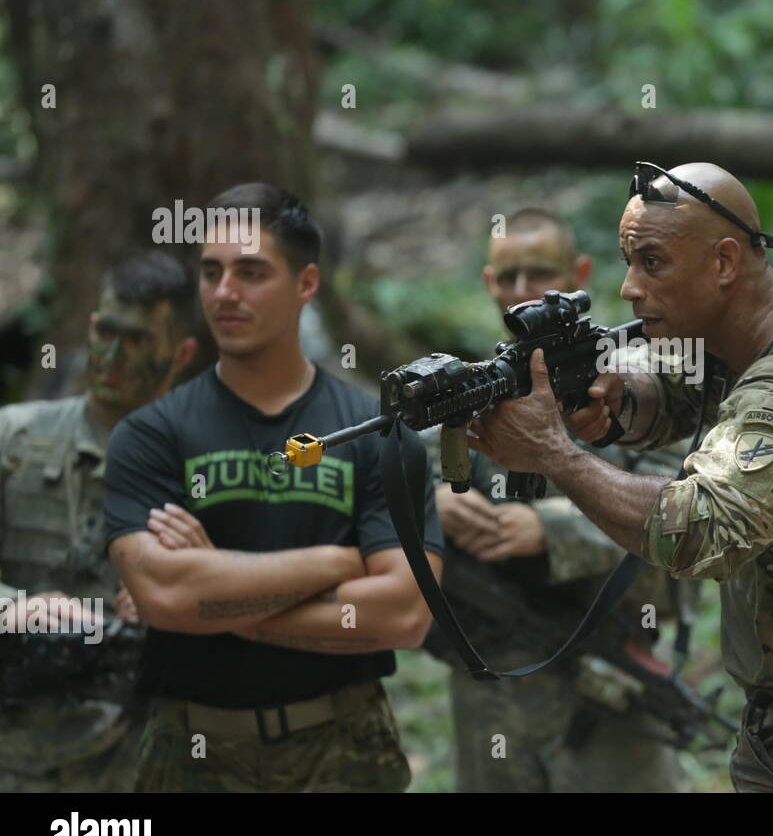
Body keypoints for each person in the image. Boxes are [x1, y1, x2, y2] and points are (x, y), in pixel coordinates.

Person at [469, 162, 773, 793]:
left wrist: (555, 454)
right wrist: (611, 404)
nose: (630, 288)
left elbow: (701, 530)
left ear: (723, 262)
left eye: (653, 262)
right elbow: (677, 387)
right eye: (627, 261)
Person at [104, 183, 441, 792]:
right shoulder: (151, 436)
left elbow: (405, 613)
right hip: (192, 754)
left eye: (252, 272)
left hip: (344, 753)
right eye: (212, 273)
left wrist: (217, 595)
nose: (225, 293)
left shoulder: (379, 439)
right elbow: (164, 596)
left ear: (306, 284)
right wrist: (335, 562)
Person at [430, 207, 688, 792]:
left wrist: (548, 530)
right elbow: (399, 488)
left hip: (607, 681)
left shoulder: (630, 376)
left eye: (540, 273)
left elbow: (681, 503)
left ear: (579, 274)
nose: (524, 291)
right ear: (489, 284)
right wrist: (435, 508)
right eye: (509, 276)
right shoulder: (468, 387)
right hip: (491, 680)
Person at [0, 252, 198, 792]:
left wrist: (184, 598)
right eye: (105, 331)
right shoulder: (13, 440)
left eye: (135, 340)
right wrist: (15, 608)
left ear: (180, 353)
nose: (111, 355)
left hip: (140, 761)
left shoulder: (210, 470)